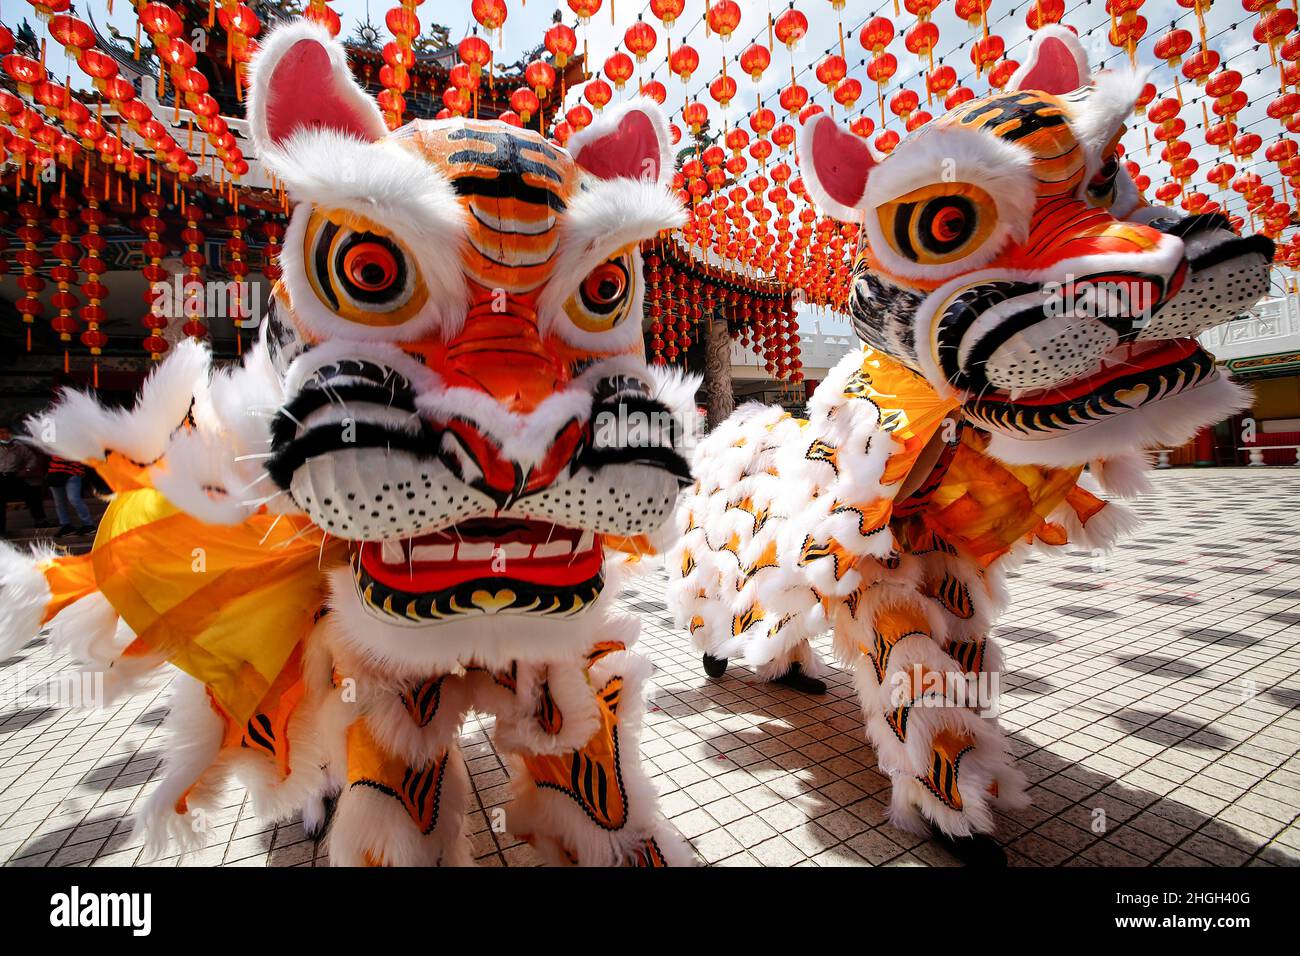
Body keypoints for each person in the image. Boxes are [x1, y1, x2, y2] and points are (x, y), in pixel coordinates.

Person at [0, 425, 51, 537]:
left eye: (6, 432)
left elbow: (32, 458)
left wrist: (26, 470)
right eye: (1, 433)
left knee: (32, 492)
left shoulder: (18, 447)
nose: (4, 435)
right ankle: (1, 530)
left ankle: (40, 520)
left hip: (13, 476)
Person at [46, 455, 96, 537]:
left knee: (73, 499)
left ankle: (88, 524)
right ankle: (66, 525)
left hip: (72, 472)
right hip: (55, 472)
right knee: (60, 502)